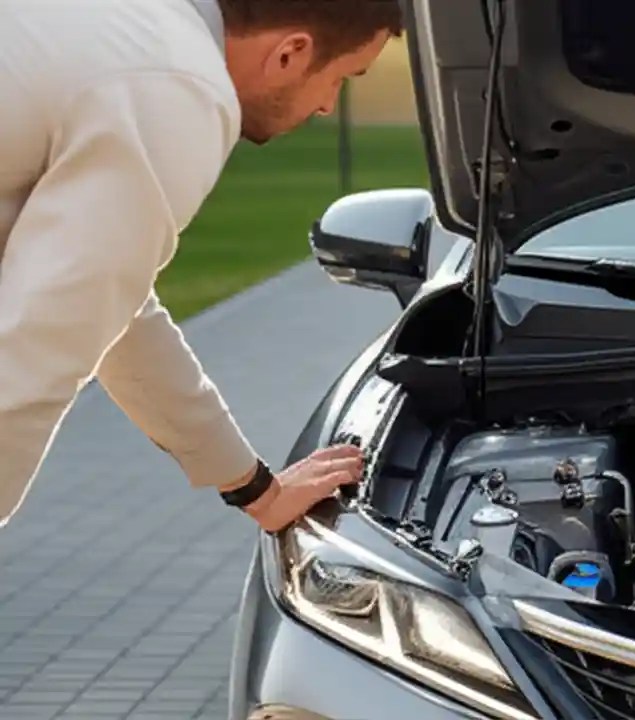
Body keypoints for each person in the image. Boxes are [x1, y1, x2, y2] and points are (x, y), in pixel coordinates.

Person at [0, 0, 403, 531]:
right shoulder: (177, 84)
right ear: (291, 53)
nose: (329, 106)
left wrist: (254, 487)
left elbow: (114, 306)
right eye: (345, 77)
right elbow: (38, 351)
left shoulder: (128, 27)